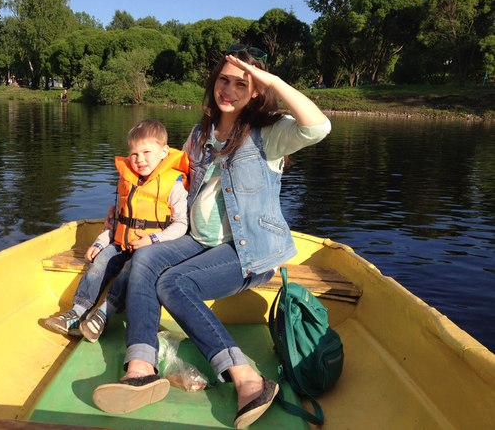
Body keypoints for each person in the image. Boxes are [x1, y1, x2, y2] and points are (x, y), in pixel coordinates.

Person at [92, 45, 331, 428]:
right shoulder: (201, 133)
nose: (229, 90)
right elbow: (164, 179)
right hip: (200, 241)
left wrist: (270, 79)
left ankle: (248, 379)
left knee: (173, 283)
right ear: (213, 81)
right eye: (224, 80)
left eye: (242, 84)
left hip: (248, 252)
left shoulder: (269, 134)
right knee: (145, 259)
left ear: (256, 90)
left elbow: (318, 128)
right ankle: (141, 368)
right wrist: (121, 209)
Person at [42, 119, 189, 342]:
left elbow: (181, 224)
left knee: (131, 269)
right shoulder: (126, 181)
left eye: (146, 152)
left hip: (152, 249)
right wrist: (100, 242)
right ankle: (77, 312)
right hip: (121, 243)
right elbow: (117, 220)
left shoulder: (173, 185)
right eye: (134, 154)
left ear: (164, 152)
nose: (140, 160)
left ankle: (103, 313)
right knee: (99, 262)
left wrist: (153, 239)